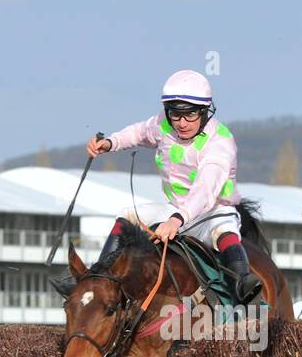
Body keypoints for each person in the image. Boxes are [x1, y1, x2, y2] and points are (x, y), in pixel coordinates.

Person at [51, 70, 261, 304]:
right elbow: (139, 133)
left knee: (224, 230)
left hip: (214, 211)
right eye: (175, 115)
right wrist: (110, 143)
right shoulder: (164, 125)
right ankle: (99, 278)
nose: (181, 123)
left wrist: (177, 220)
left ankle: (243, 283)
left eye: (189, 115)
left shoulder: (220, 141)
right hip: (175, 209)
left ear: (204, 111)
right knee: (128, 214)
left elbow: (205, 189)